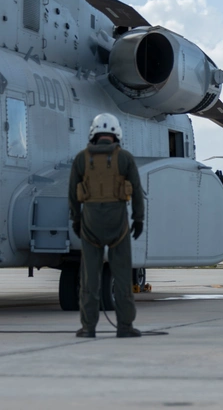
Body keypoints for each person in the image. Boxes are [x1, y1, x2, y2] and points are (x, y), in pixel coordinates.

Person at [69, 113, 145, 338]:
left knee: (89, 278)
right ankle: (125, 326)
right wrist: (138, 219)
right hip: (118, 224)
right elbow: (137, 191)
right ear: (116, 133)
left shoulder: (81, 159)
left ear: (93, 133)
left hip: (90, 224)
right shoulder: (125, 158)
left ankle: (88, 327)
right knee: (121, 277)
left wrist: (76, 219)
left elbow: (73, 193)